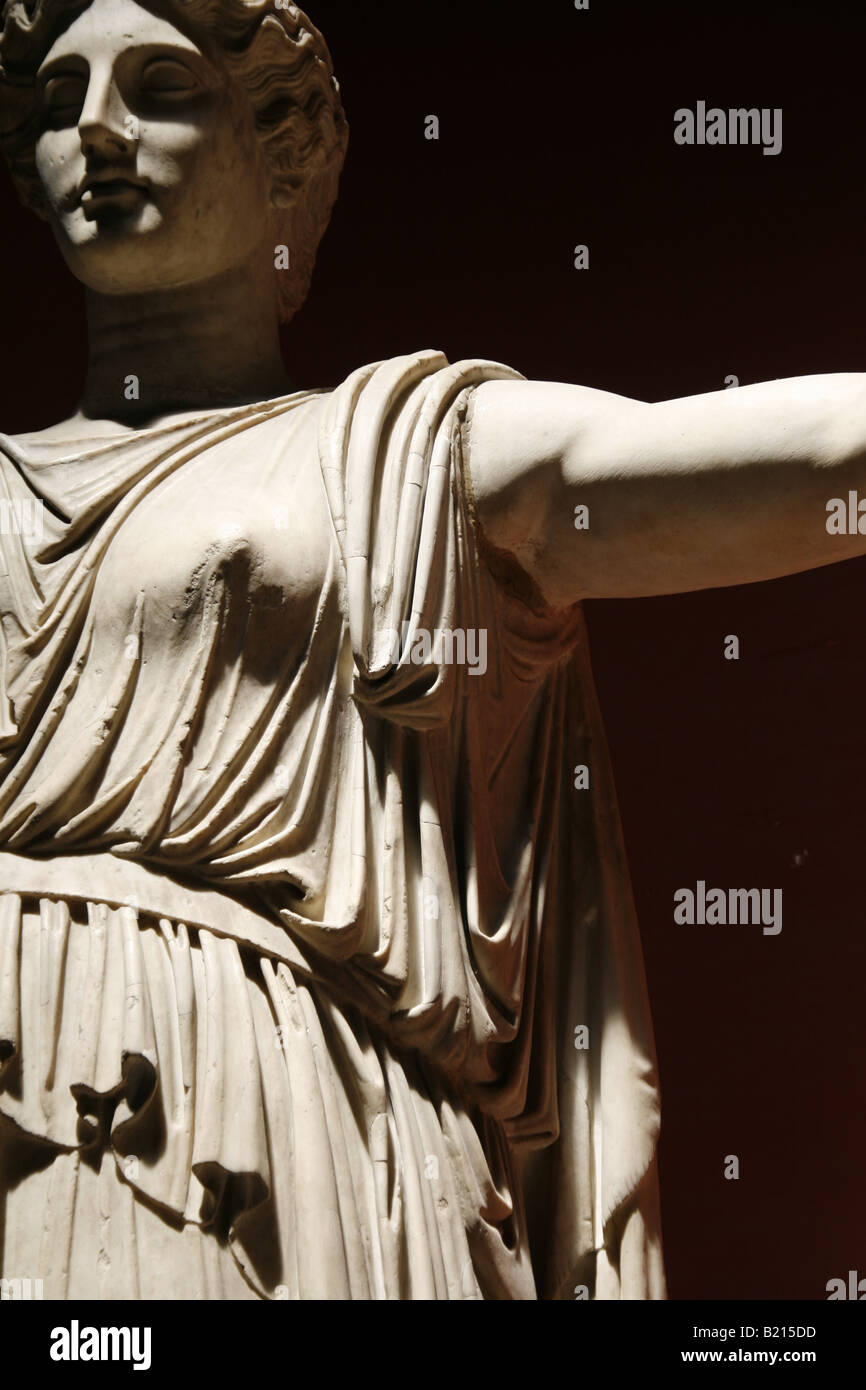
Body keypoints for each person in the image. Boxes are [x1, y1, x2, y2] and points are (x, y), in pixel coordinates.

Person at [0, 0, 861, 1300]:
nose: (96, 134)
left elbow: (729, 460)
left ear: (280, 149)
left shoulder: (402, 452)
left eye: (159, 86)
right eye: (58, 99)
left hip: (283, 1135)